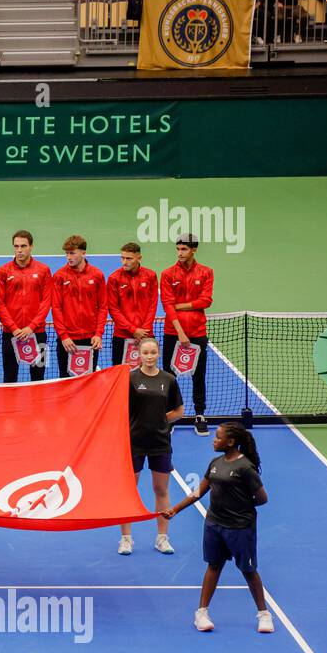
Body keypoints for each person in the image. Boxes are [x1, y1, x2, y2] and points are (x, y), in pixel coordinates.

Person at [164, 422, 273, 634]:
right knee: (214, 566)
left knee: (248, 570)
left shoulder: (245, 467)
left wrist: (239, 507)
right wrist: (175, 509)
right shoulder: (215, 463)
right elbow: (199, 492)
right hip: (214, 525)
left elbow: (262, 498)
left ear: (230, 442)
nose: (214, 440)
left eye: (218, 437)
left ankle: (264, 614)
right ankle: (201, 613)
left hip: (241, 528)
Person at [118, 337, 183, 556]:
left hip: (160, 443)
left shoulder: (169, 379)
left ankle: (162, 538)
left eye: (153, 353)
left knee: (161, 489)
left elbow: (178, 411)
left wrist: (162, 421)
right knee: (128, 491)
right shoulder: (130, 379)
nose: (149, 357)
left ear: (158, 353)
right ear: (138, 354)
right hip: (134, 442)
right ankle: (126, 539)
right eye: (145, 353)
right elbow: (120, 409)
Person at [160, 232, 213, 435]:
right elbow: (167, 306)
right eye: (178, 249)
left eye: (184, 249)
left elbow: (205, 301)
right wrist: (181, 332)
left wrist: (180, 305)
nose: (180, 253)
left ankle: (200, 414)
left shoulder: (206, 272)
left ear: (194, 250)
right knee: (170, 376)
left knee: (198, 375)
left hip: (198, 332)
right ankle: (170, 414)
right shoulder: (167, 274)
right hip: (173, 332)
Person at [0, 230, 51, 383]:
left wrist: (31, 327)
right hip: (11, 334)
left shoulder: (44, 270)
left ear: (31, 246)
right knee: (10, 377)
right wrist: (14, 328)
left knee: (39, 377)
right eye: (16, 246)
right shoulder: (3, 271)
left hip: (38, 333)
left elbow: (46, 302)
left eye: (23, 246)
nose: (19, 250)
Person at [50, 235, 107, 378]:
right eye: (66, 253)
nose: (68, 257)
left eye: (72, 253)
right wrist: (63, 336)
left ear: (83, 253)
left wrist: (98, 334)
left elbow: (102, 307)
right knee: (65, 380)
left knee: (88, 380)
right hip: (68, 340)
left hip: (90, 339)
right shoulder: (59, 276)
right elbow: (56, 308)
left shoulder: (97, 275)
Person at [106, 242, 158, 369]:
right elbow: (113, 308)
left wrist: (144, 331)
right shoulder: (114, 278)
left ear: (139, 258)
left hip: (146, 335)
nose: (124, 262)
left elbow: (153, 304)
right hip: (122, 336)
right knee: (120, 375)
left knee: (147, 374)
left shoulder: (150, 276)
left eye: (129, 258)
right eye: (122, 258)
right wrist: (133, 330)